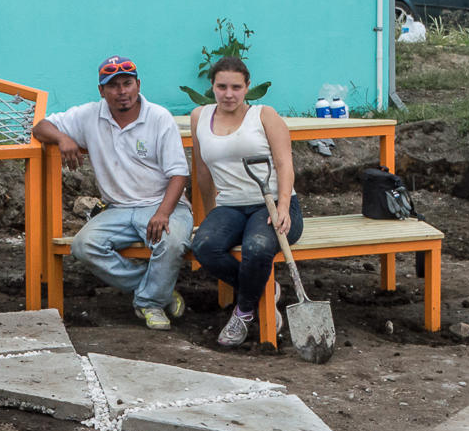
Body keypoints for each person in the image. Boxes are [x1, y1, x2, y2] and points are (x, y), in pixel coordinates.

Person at [32, 55, 192, 331]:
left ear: (138, 84)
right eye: (113, 86)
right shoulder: (89, 115)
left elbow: (179, 174)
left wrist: (163, 213)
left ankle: (151, 303)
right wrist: (62, 138)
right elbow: (39, 125)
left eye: (127, 83)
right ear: (101, 91)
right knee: (83, 246)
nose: (122, 92)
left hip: (163, 205)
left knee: (172, 242)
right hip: (118, 209)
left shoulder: (159, 118)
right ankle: (156, 291)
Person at [188, 56, 303, 347]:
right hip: (230, 206)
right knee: (204, 246)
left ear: (247, 87)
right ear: (211, 86)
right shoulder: (199, 117)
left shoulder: (265, 115)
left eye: (236, 87)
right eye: (222, 86)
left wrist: (285, 208)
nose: (229, 94)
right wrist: (210, 216)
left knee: (258, 247)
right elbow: (203, 172)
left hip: (272, 203)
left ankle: (243, 312)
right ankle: (265, 291)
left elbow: (285, 165)